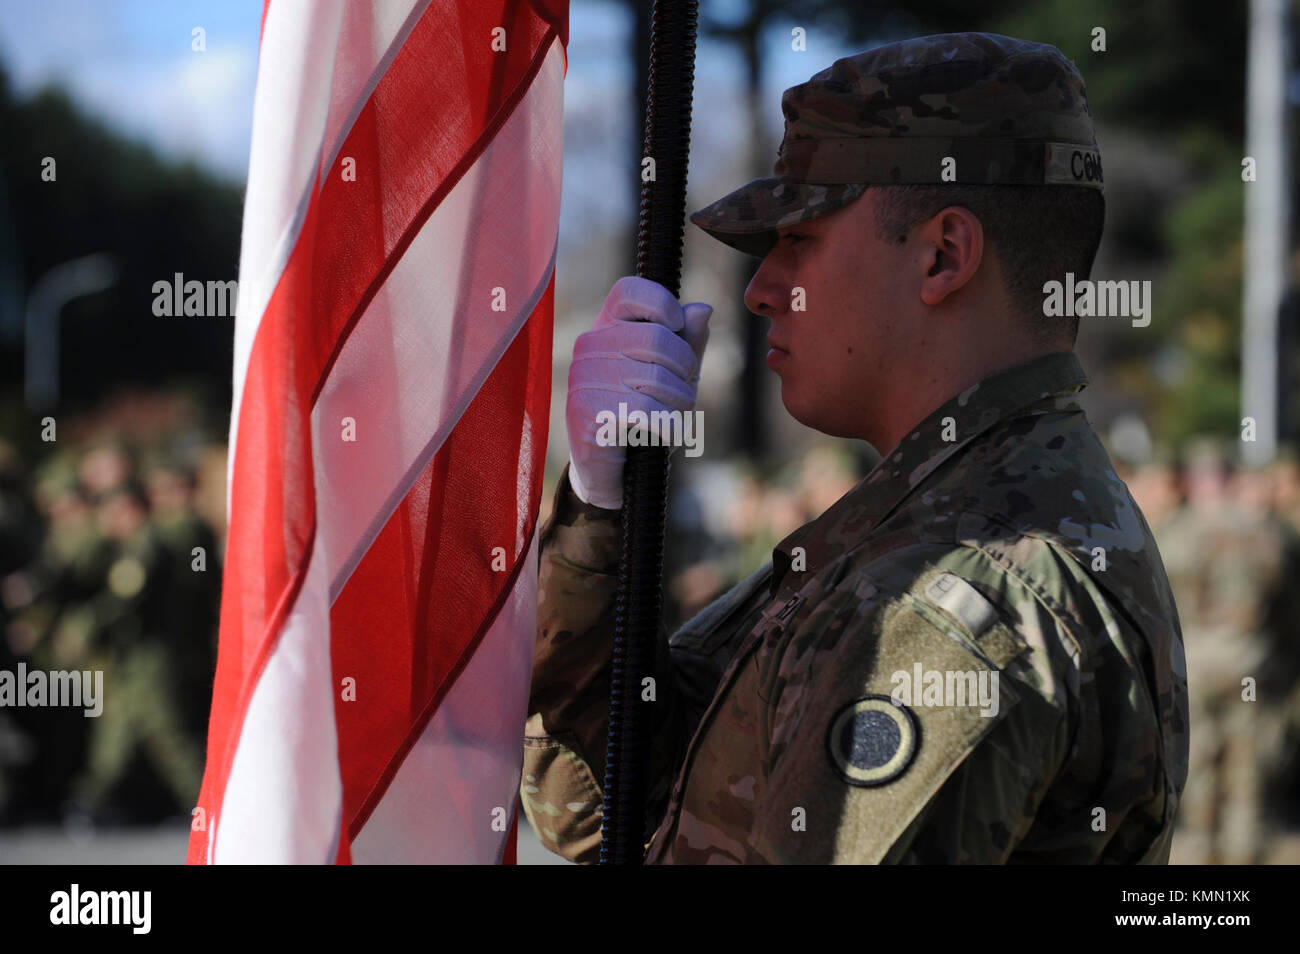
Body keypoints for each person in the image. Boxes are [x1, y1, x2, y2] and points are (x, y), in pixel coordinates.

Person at [522, 32, 1188, 864]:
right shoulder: (927, 523)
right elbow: (607, 806)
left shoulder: (954, 594)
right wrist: (602, 506)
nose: (762, 290)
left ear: (943, 255)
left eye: (799, 239)